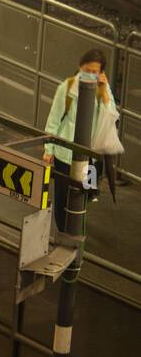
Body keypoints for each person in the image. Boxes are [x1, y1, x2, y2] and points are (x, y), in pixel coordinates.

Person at [43, 48, 116, 232]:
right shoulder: (66, 88)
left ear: (101, 73)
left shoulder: (103, 90)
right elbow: (53, 120)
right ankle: (62, 232)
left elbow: (110, 118)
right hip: (65, 154)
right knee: (62, 197)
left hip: (90, 156)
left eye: (94, 72)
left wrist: (105, 93)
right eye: (87, 70)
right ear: (79, 67)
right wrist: (48, 149)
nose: (90, 75)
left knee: (86, 195)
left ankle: (76, 231)